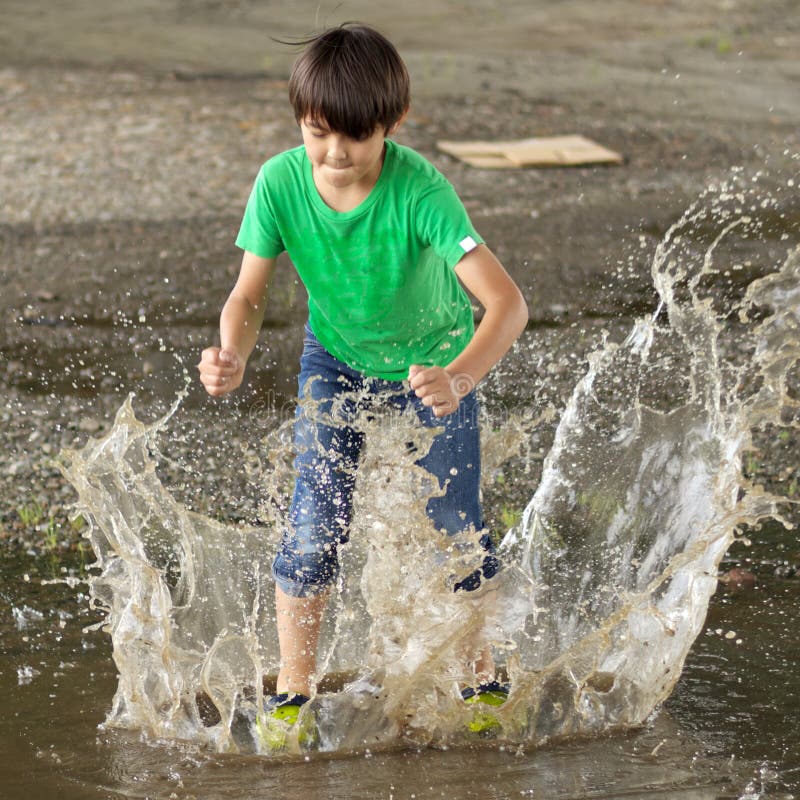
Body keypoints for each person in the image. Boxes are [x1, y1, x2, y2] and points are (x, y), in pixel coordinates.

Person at [198, 22, 528, 749]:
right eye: (318, 134)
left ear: (393, 123)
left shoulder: (422, 193)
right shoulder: (280, 181)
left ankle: (482, 677)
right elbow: (249, 296)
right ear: (299, 122)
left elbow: (507, 304)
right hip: (336, 361)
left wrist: (461, 377)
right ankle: (293, 691)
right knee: (315, 527)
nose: (336, 154)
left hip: (434, 368)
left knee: (454, 533)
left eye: (355, 136)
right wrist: (232, 350)